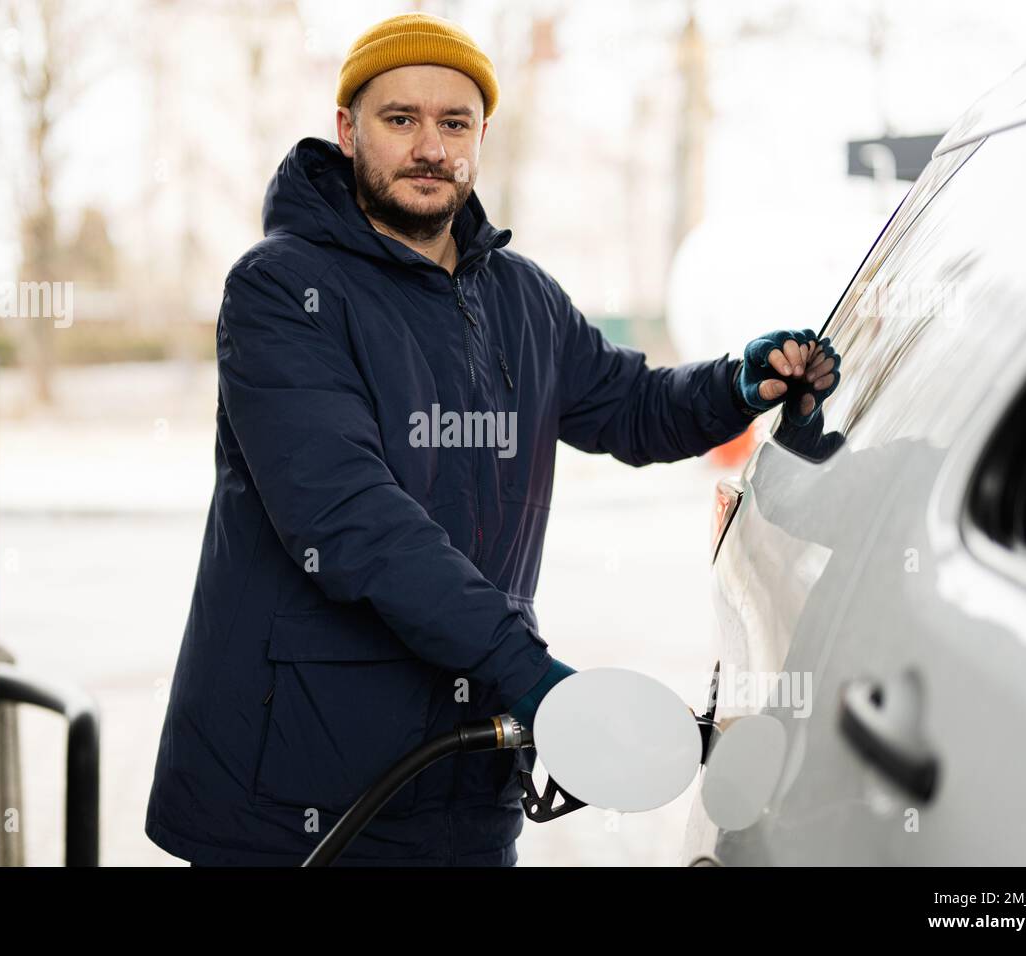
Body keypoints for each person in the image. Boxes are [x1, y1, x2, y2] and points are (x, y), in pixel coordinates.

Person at [145, 11, 839, 867]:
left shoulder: (518, 296)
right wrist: (535, 676)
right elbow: (351, 520)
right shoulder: (282, 290)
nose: (429, 146)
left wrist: (736, 383)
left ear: (481, 137)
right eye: (401, 120)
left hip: (466, 791)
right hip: (298, 796)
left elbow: (628, 406)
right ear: (346, 129)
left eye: (454, 123)